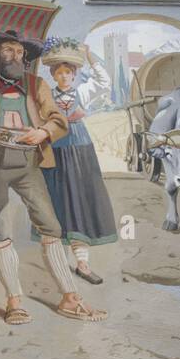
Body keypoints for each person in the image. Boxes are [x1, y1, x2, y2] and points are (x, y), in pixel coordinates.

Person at [0, 30, 107, 323]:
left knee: (51, 228)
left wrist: (43, 132)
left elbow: (58, 120)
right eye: (8, 51)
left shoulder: (37, 85)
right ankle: (14, 301)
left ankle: (70, 299)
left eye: (20, 52)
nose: (15, 56)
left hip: (29, 166)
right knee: (1, 233)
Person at [39, 37, 118, 285]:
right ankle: (58, 263)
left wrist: (91, 57)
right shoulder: (48, 96)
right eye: (59, 73)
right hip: (57, 151)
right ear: (54, 75)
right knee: (60, 202)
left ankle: (82, 263)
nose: (64, 77)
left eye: (68, 72)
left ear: (74, 74)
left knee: (81, 201)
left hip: (80, 151)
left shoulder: (82, 91)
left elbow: (105, 82)